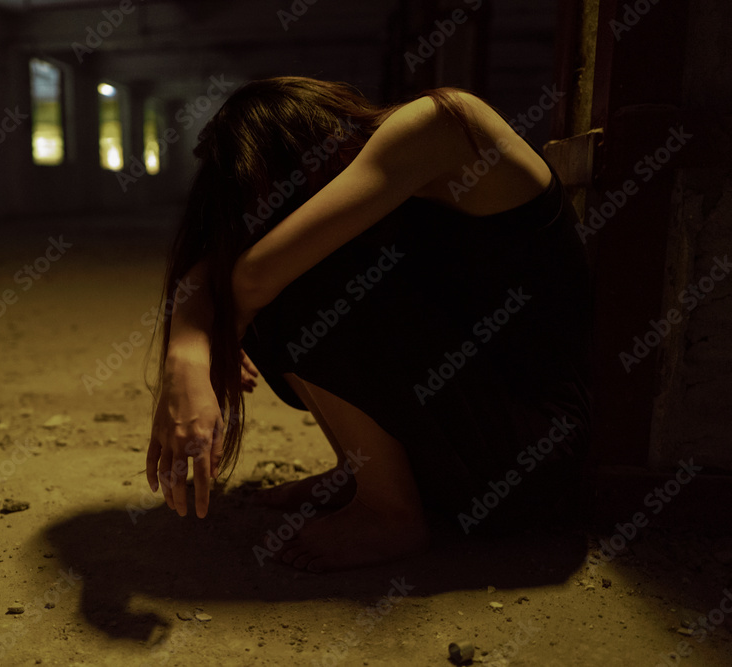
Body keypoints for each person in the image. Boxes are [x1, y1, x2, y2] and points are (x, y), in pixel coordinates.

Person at [145, 76, 592, 573]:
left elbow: (250, 275)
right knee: (276, 278)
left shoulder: (441, 123)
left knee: (292, 278)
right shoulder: (385, 179)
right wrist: (185, 356)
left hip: (533, 456)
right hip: (475, 448)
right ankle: (361, 475)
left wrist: (213, 336)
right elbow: (216, 268)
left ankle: (387, 513)